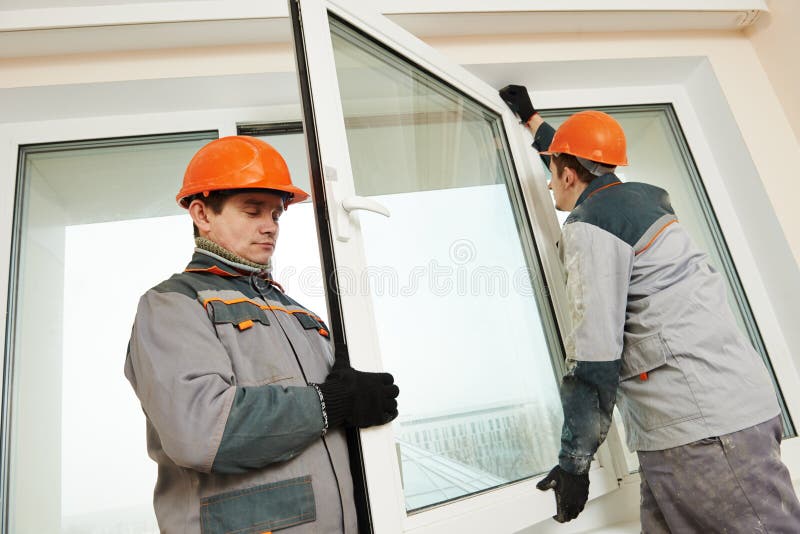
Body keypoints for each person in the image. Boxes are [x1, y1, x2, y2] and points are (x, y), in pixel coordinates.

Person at [499, 85, 800, 531]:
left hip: (703, 432)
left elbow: (593, 357)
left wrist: (575, 462)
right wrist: (532, 120)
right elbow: (581, 163)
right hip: (715, 417)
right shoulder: (637, 203)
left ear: (569, 175)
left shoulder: (591, 226)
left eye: (554, 171)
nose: (549, 181)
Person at [125, 135, 400, 534]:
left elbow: (334, 425)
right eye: (253, 211)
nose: (269, 227)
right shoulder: (172, 305)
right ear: (202, 214)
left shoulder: (298, 313)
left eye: (275, 215)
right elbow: (201, 430)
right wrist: (333, 403)